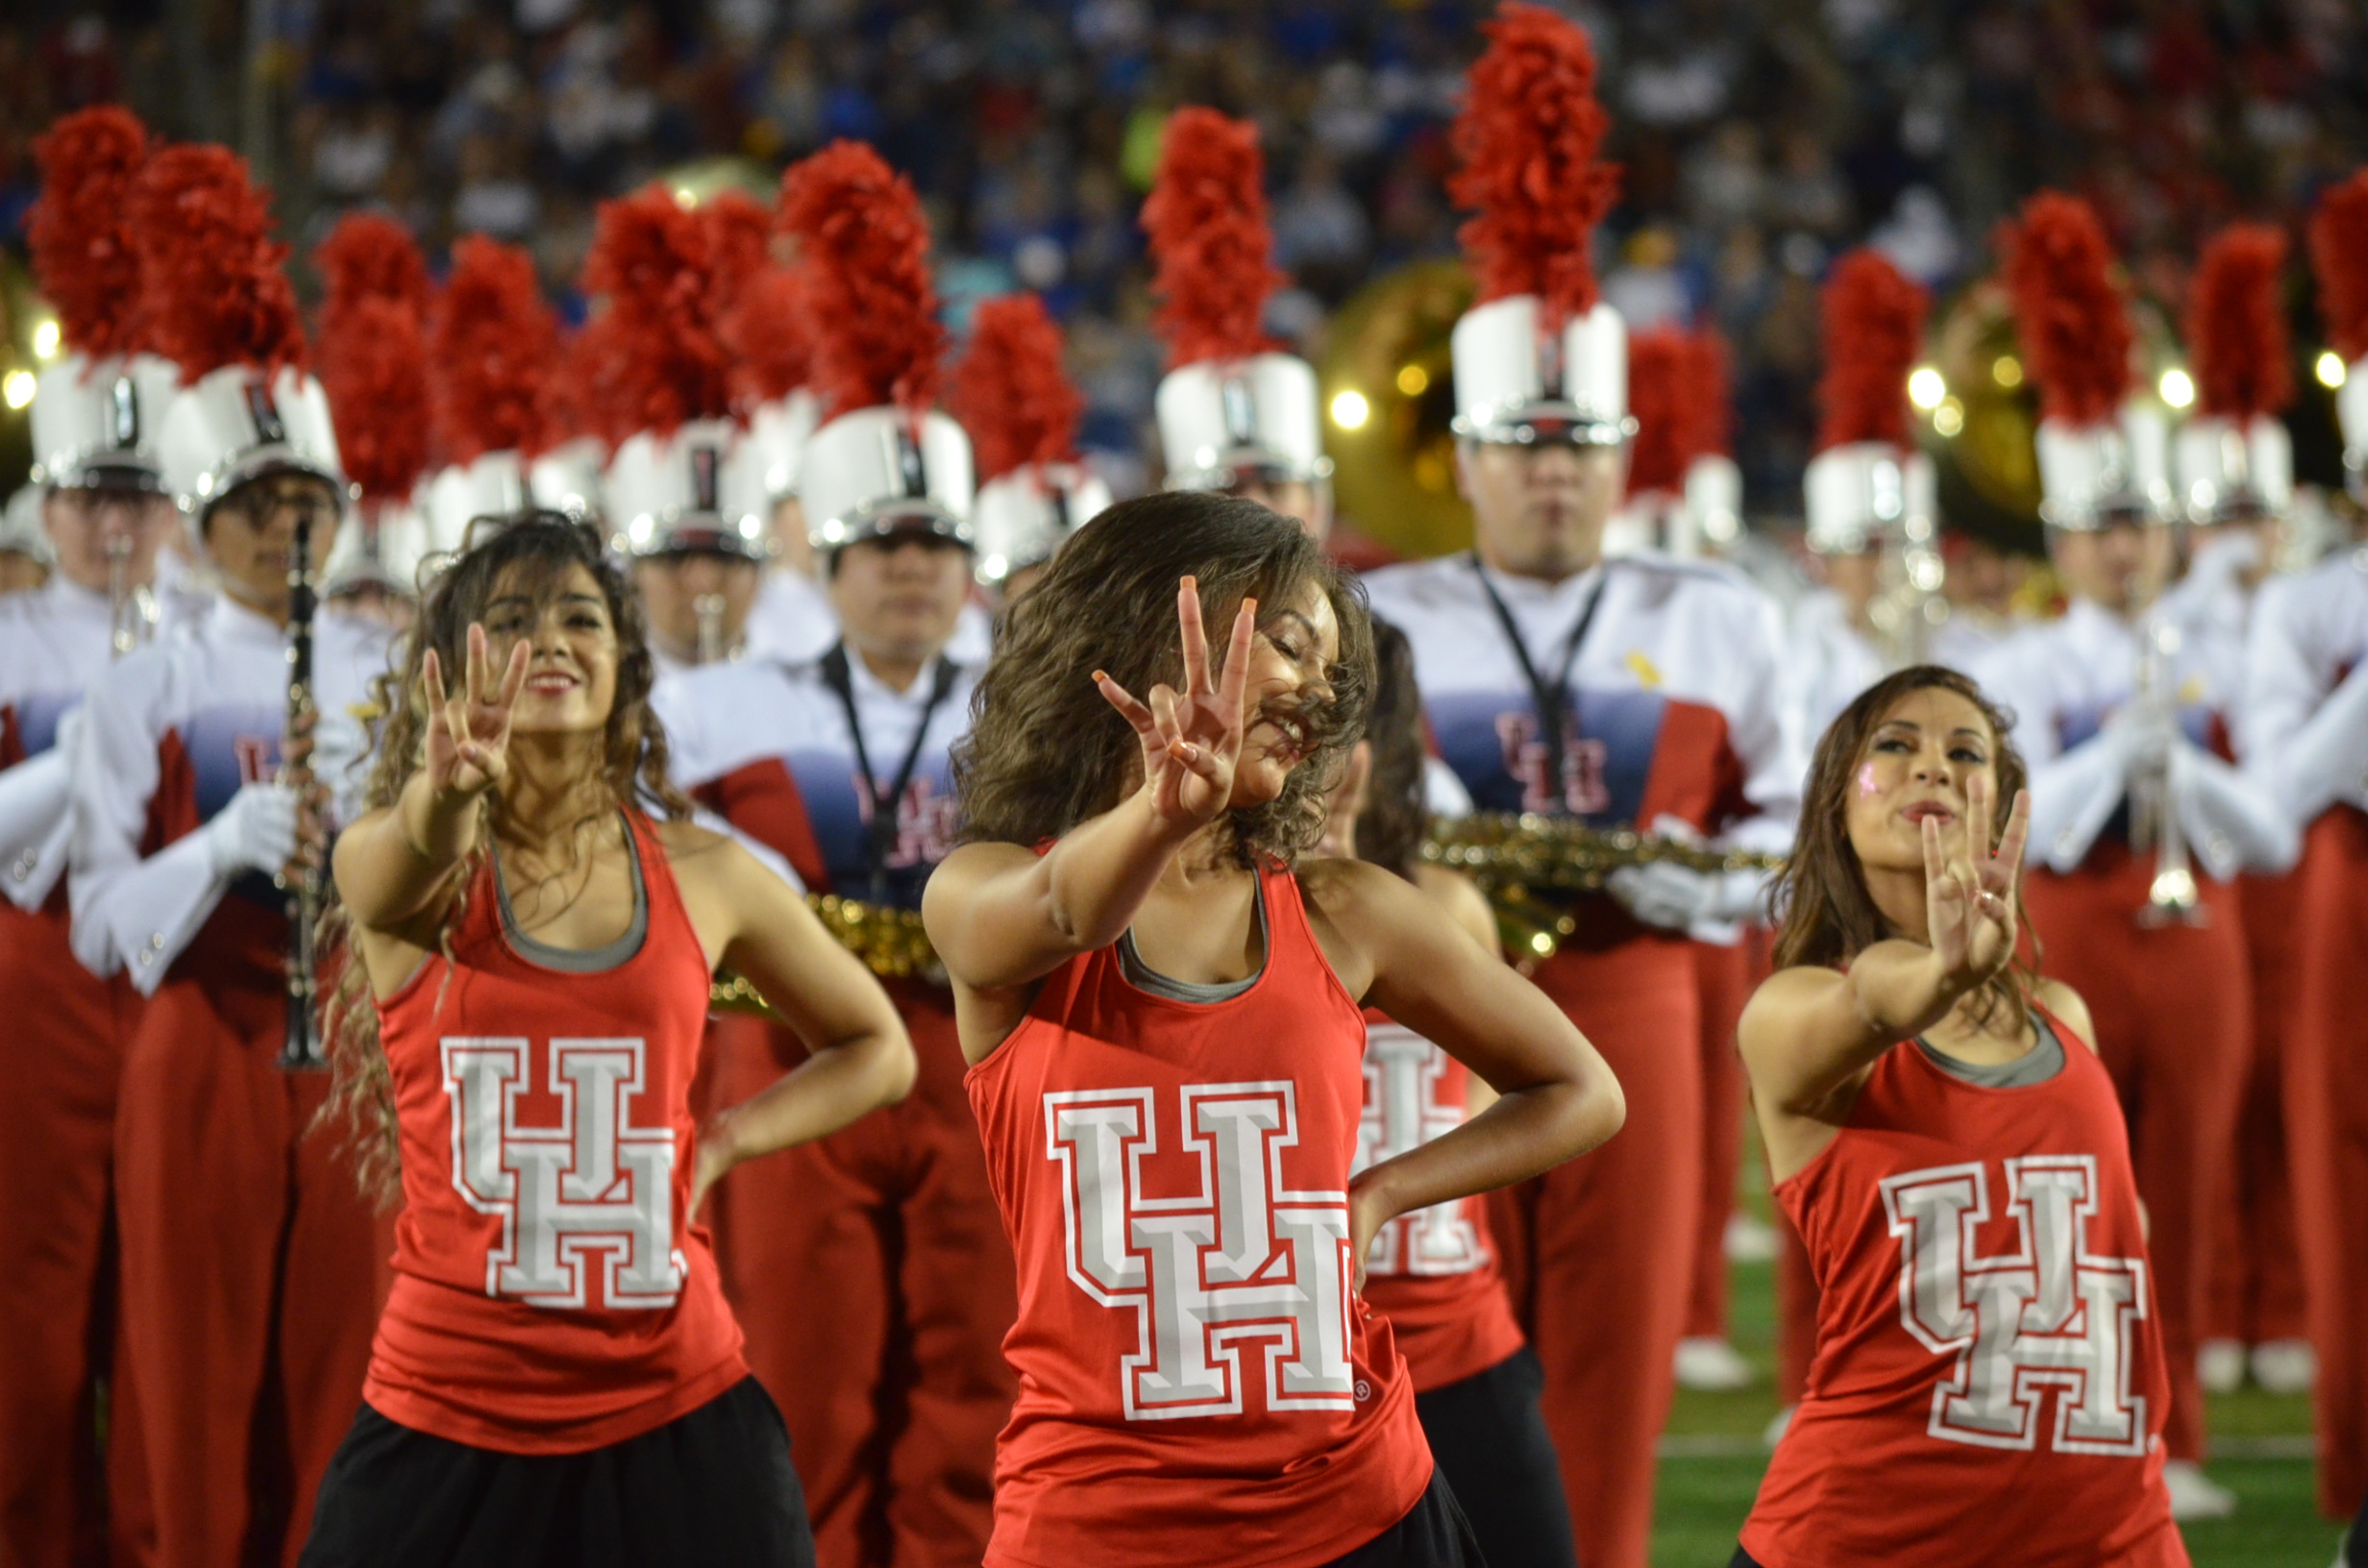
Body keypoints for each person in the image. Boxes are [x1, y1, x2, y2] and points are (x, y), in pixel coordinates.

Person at [926, 491, 1623, 1568]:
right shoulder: (980, 889)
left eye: (1328, 668)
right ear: (1149, 631)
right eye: (1289, 645)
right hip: (1097, 1522)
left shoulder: (1347, 909)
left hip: (1362, 1508)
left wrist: (1382, 1191)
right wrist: (1161, 812)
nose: (1315, 690)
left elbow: (1583, 1090)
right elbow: (1069, 910)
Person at [1364, 13, 1800, 1562]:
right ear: (1464, 459)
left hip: (1639, 992)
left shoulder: (1720, 610)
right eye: (1521, 449)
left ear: (1623, 459)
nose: (1553, 474)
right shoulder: (1386, 612)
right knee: (1427, 1352)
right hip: (1421, 1014)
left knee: (1613, 1370)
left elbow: (1802, 823)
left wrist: (1720, 873)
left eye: (1581, 448)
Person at [295, 514, 911, 1564]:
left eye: (581, 616)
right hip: (447, 1415)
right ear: (451, 670)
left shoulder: (706, 872)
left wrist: (720, 1144)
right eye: (513, 619)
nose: (550, 640)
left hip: (676, 1404)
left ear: (625, 663)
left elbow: (878, 1048)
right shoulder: (393, 862)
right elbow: (402, 864)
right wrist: (444, 795)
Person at [656, 139, 1015, 1568]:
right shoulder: (716, 701)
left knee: (976, 1381)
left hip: (976, 1057)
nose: (914, 567)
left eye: (937, 541)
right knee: (803, 1377)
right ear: (824, 555)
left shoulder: (1027, 703)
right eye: (883, 543)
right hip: (797, 1059)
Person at [67, 140, 395, 1568]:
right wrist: (218, 844)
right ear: (206, 525)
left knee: (348, 1371)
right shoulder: (146, 684)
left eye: (306, 500)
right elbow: (93, 923)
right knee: (188, 1385)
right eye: (258, 506)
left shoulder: (394, 668)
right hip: (198, 1035)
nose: (288, 527)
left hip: (353, 1041)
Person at [1980, 194, 2301, 1519]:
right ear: (2061, 539)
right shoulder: (2027, 661)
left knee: (2192, 1182)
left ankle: (2175, 1440)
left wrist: (2190, 766)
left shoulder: (2226, 650)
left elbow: (2271, 831)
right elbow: (2028, 825)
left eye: (2139, 524)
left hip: (2202, 928)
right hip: (2073, 927)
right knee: (2077, 1190)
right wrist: (2121, 750)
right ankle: (2080, 1426)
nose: (2122, 547)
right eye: (2098, 527)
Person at [1732, 664, 2187, 1568]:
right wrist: (1945, 970)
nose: (1930, 768)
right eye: (1894, 746)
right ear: (1835, 803)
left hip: (2109, 1531)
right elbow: (1871, 1000)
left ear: (2005, 804)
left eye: (1964, 751)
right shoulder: (1787, 1014)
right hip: (1866, 1536)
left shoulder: (2066, 1015)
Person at [0, 101, 184, 1568]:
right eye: (91, 493)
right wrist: (88, 745)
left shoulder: (214, 631)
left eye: (139, 492)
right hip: (37, 991)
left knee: (181, 1310)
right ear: (48, 499)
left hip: (186, 989)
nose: (115, 520)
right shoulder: (4, 635)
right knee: (38, 1317)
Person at [1324, 622, 1579, 1568]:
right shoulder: (1228, 918)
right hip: (1311, 1356)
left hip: (1459, 1333)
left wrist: (1391, 1185)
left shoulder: (1441, 901)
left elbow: (1505, 1097)